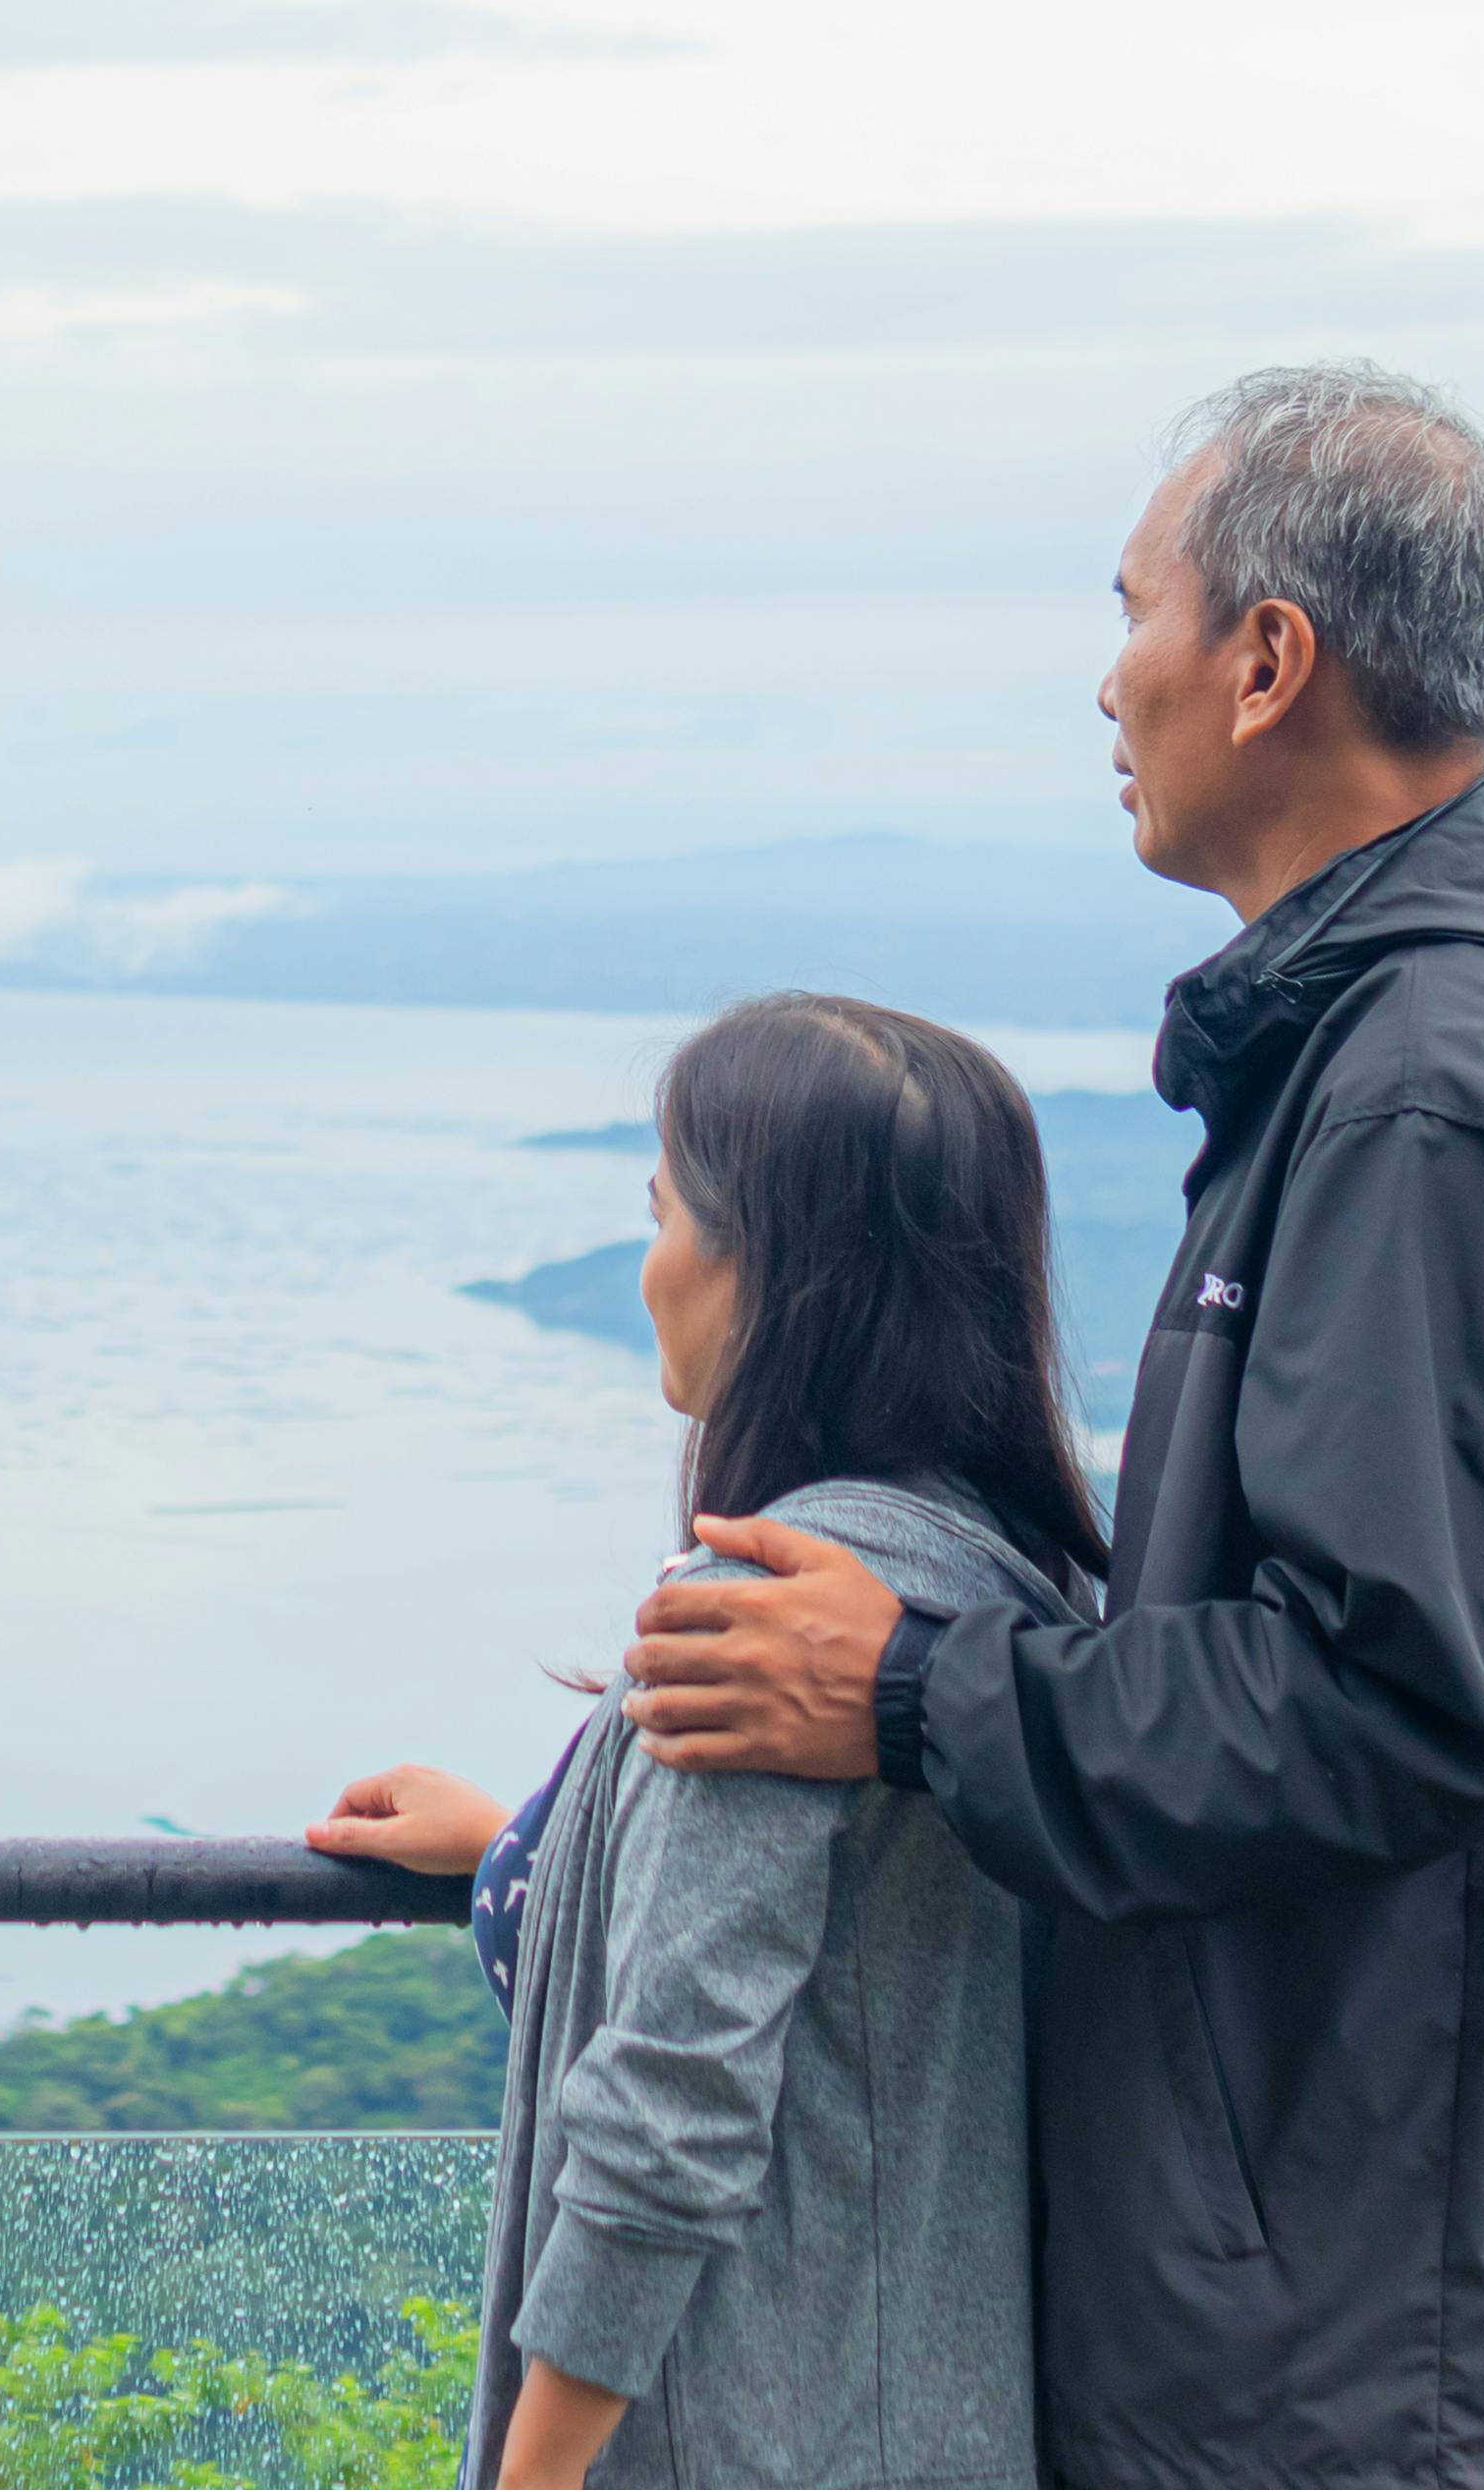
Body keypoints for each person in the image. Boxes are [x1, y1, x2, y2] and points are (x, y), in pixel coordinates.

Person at [621, 364, 1484, 2489]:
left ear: (1263, 660)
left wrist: (916, 1693)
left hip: (1405, 2307)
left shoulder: (1433, 1090)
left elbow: (1407, 1693)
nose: (1101, 683)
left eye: (1131, 608)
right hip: (1481, 2241)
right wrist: (550, 1848)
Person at [308, 992, 1102, 2490]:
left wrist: (527, 2478)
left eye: (665, 1212)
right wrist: (524, 1852)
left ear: (769, 1274)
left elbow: (674, 2107)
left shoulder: (763, 1617)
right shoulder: (1000, 1600)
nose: (650, 1265)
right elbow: (843, 1983)